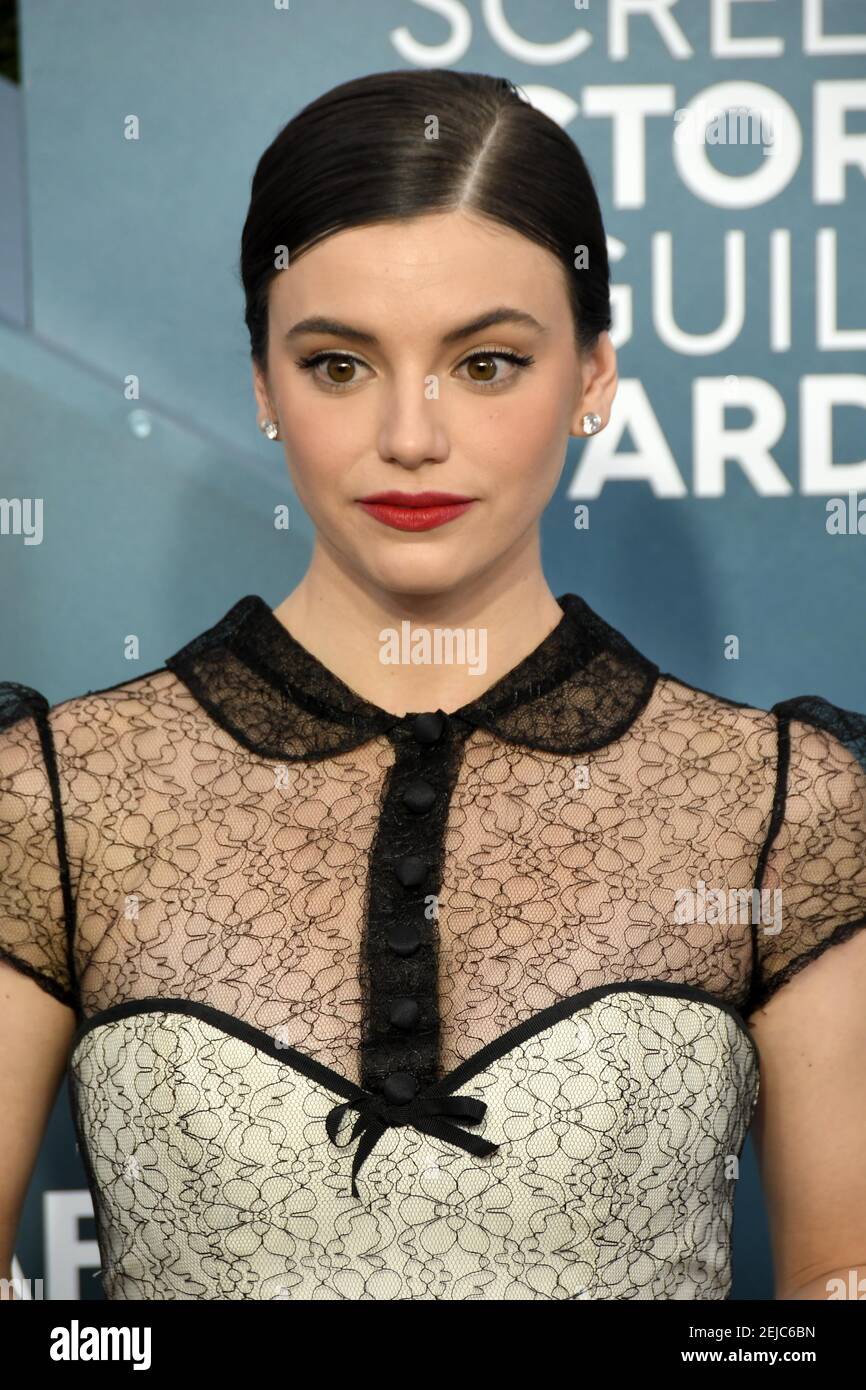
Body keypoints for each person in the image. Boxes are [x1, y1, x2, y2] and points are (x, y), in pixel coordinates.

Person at [2, 69, 865, 1303]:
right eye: (338, 364)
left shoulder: (779, 804)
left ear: (591, 377)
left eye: (486, 362)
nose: (410, 436)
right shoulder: (54, 796)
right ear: (262, 385)